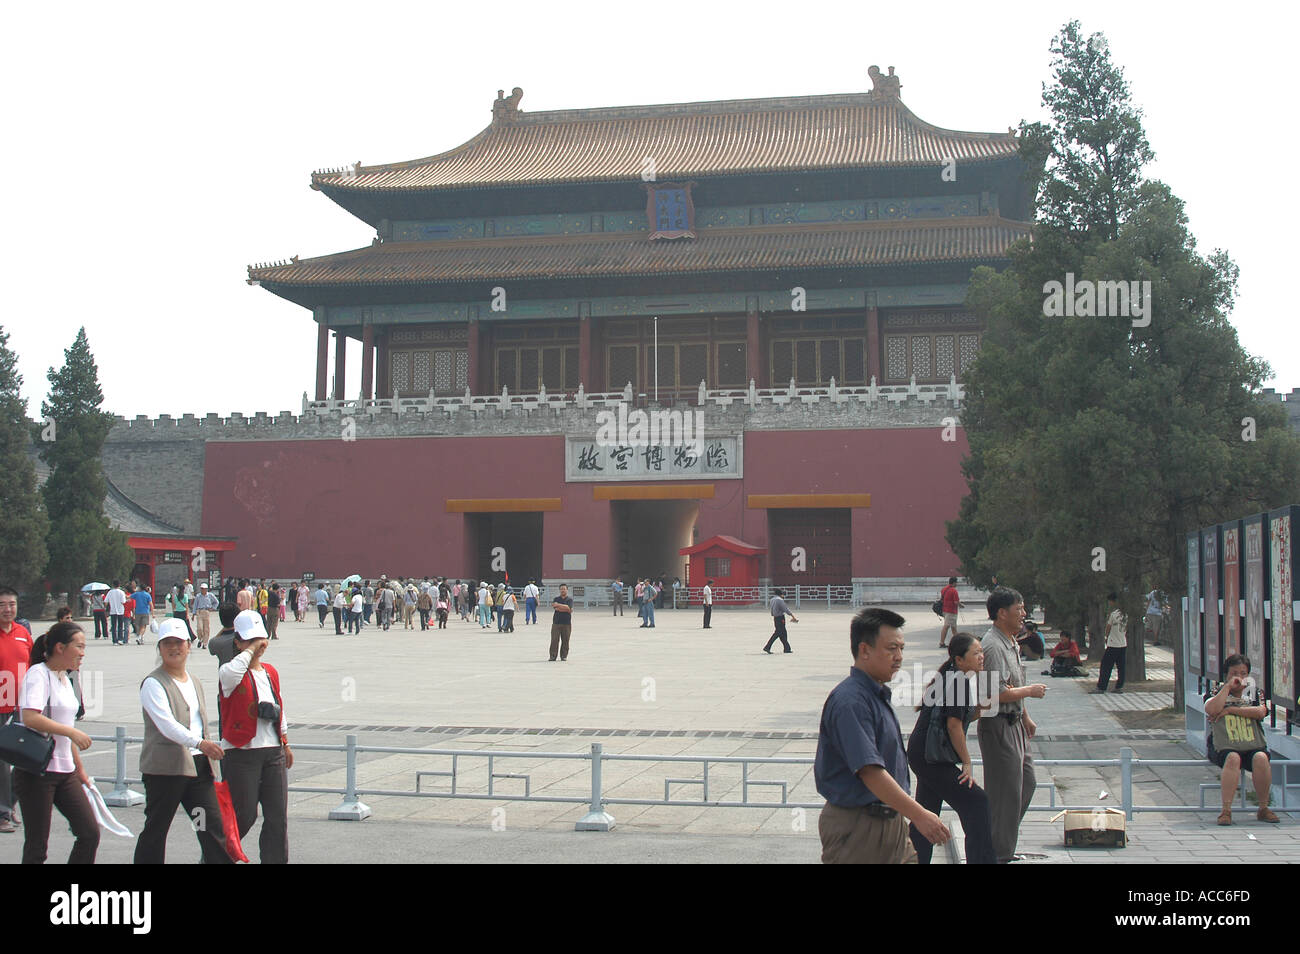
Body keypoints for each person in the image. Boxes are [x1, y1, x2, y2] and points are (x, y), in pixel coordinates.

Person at [814, 607, 950, 863]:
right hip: (859, 828)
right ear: (864, 650)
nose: (898, 656)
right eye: (891, 649)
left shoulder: (875, 695)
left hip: (892, 821)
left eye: (901, 648)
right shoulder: (850, 701)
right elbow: (869, 771)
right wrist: (920, 815)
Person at [135, 618, 233, 864]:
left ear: (189, 646)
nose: (174, 648)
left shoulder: (195, 681)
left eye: (179, 643)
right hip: (165, 769)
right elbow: (167, 725)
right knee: (157, 829)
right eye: (167, 643)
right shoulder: (153, 683)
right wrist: (200, 743)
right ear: (159, 648)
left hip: (198, 768)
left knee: (209, 826)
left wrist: (204, 747)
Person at [907, 633, 996, 864]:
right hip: (930, 756)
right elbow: (954, 724)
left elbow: (961, 716)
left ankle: (912, 860)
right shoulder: (958, 681)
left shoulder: (952, 676)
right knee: (977, 802)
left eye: (981, 652)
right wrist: (967, 762)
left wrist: (988, 704)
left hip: (925, 753)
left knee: (926, 812)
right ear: (959, 659)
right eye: (975, 653)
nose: (981, 657)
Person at [13, 621, 98, 864]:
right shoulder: (38, 674)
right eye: (79, 646)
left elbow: (66, 726)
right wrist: (71, 733)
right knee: (37, 845)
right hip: (37, 772)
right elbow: (30, 717)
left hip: (65, 771)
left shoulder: (64, 678)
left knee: (89, 833)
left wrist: (80, 770)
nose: (83, 652)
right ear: (60, 647)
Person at [977, 586, 1047, 864]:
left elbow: (1012, 685)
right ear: (1001, 613)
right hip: (998, 726)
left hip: (1015, 723)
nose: (1024, 614)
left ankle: (999, 842)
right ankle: (997, 853)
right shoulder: (992, 646)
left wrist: (1026, 715)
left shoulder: (1010, 641)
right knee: (1004, 793)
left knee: (1025, 785)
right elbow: (992, 695)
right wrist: (1029, 692)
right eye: (1019, 609)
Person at [218, 610, 291, 864]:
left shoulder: (270, 671)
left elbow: (279, 706)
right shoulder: (229, 672)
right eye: (249, 640)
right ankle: (217, 857)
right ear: (237, 642)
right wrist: (249, 651)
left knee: (277, 818)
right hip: (241, 753)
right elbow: (231, 674)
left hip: (272, 751)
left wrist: (285, 742)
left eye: (260, 639)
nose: (258, 645)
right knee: (244, 815)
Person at [1205, 654, 1279, 825]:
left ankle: (1263, 807)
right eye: (1234, 673)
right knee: (1233, 758)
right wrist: (1227, 688)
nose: (1239, 677)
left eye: (1243, 673)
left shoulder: (1254, 692)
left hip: (1251, 743)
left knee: (1261, 758)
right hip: (1225, 745)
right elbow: (1212, 709)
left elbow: (1260, 712)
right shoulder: (1216, 691)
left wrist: (1230, 711)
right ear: (1226, 675)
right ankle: (1226, 811)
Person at [0, 585, 35, 834]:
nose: (8, 609)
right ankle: (2, 813)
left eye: (11, 604)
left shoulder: (23, 632)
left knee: (25, 758)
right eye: (2, 605)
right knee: (2, 761)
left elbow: (34, 665)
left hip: (22, 705)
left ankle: (8, 805)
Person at [1090, 592, 1127, 694]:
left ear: (1112, 601)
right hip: (1123, 643)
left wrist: (1106, 637)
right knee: (1121, 666)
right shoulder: (1126, 614)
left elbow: (1108, 627)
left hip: (1113, 644)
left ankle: (1101, 687)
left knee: (1106, 666)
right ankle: (1119, 686)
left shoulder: (1114, 614)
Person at [763, 587, 798, 653]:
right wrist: (792, 616)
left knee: (783, 633)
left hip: (775, 618)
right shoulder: (779, 600)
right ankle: (767, 647)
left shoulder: (772, 599)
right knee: (778, 633)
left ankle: (787, 648)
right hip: (780, 618)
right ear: (780, 594)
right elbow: (785, 609)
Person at [208, 602, 241, 669]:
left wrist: (224, 627)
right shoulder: (245, 639)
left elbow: (212, 650)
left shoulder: (214, 642)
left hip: (224, 676)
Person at [549, 584, 574, 661]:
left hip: (566, 623)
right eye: (561, 589)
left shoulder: (569, 599)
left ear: (567, 590)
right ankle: (553, 656)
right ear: (559, 590)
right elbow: (556, 607)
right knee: (554, 640)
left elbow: (569, 609)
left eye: (564, 589)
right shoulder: (556, 598)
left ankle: (564, 656)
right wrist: (566, 608)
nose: (563, 590)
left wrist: (559, 606)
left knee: (566, 640)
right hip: (556, 622)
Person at [193, 582, 219, 648]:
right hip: (199, 611)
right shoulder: (198, 596)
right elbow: (195, 605)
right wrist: (193, 614)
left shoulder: (210, 595)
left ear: (206, 589)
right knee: (199, 628)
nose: (203, 590)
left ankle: (205, 643)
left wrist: (213, 608)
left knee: (206, 629)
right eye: (202, 588)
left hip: (206, 611)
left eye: (204, 589)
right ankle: (200, 639)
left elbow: (216, 602)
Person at [938, 576, 961, 648]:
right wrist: (961, 605)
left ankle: (958, 642)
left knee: (953, 627)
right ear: (954, 583)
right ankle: (942, 642)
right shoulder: (954, 591)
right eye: (956, 582)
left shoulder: (944, 589)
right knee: (947, 626)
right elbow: (956, 602)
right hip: (952, 611)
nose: (957, 584)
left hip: (945, 610)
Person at [106, 580, 127, 645]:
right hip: (120, 611)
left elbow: (106, 601)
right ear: (119, 585)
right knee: (120, 626)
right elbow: (123, 601)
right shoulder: (121, 592)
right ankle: (120, 639)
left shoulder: (110, 592)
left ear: (113, 585)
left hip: (113, 611)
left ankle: (114, 640)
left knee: (113, 626)